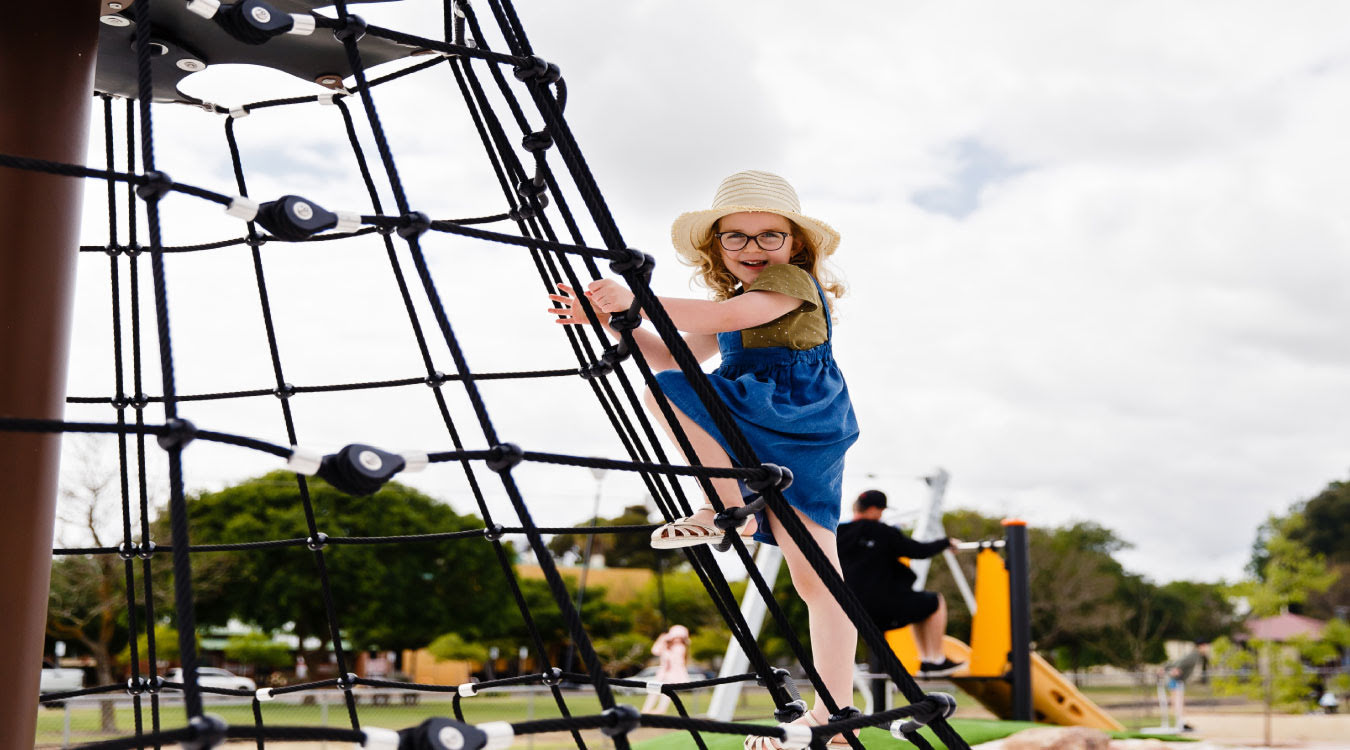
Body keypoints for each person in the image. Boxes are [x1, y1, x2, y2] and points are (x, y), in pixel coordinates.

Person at [548, 170, 860, 748]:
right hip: (764, 419)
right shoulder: (737, 298)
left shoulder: (790, 284)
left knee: (667, 396)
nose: (752, 248)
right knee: (816, 577)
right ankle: (835, 715)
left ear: (795, 244)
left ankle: (722, 506)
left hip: (796, 418)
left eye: (770, 235)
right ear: (718, 246)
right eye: (735, 237)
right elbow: (673, 353)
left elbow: (715, 323)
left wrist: (636, 299)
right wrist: (613, 322)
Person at [837, 490, 964, 683]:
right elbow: (919, 551)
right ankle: (934, 658)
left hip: (850, 610)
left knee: (920, 607)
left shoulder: (839, 533)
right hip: (883, 608)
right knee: (935, 601)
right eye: (880, 511)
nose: (881, 515)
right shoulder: (884, 532)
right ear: (872, 510)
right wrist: (946, 542)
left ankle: (927, 661)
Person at [641, 625, 691, 715]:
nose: (677, 640)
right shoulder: (666, 645)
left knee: (666, 693)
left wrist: (666, 648)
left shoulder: (680, 647)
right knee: (654, 691)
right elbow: (655, 651)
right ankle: (646, 710)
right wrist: (661, 640)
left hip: (673, 673)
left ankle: (660, 710)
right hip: (663, 673)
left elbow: (673, 660)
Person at [1160, 641, 1209, 731]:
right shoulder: (1194, 655)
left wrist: (1168, 668)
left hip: (1179, 681)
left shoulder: (1196, 655)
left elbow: (1179, 661)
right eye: (1206, 646)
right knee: (1177, 703)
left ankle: (1181, 723)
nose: (1207, 648)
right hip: (1176, 681)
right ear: (1201, 646)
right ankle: (1180, 723)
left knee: (1178, 703)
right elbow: (1181, 662)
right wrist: (1174, 669)